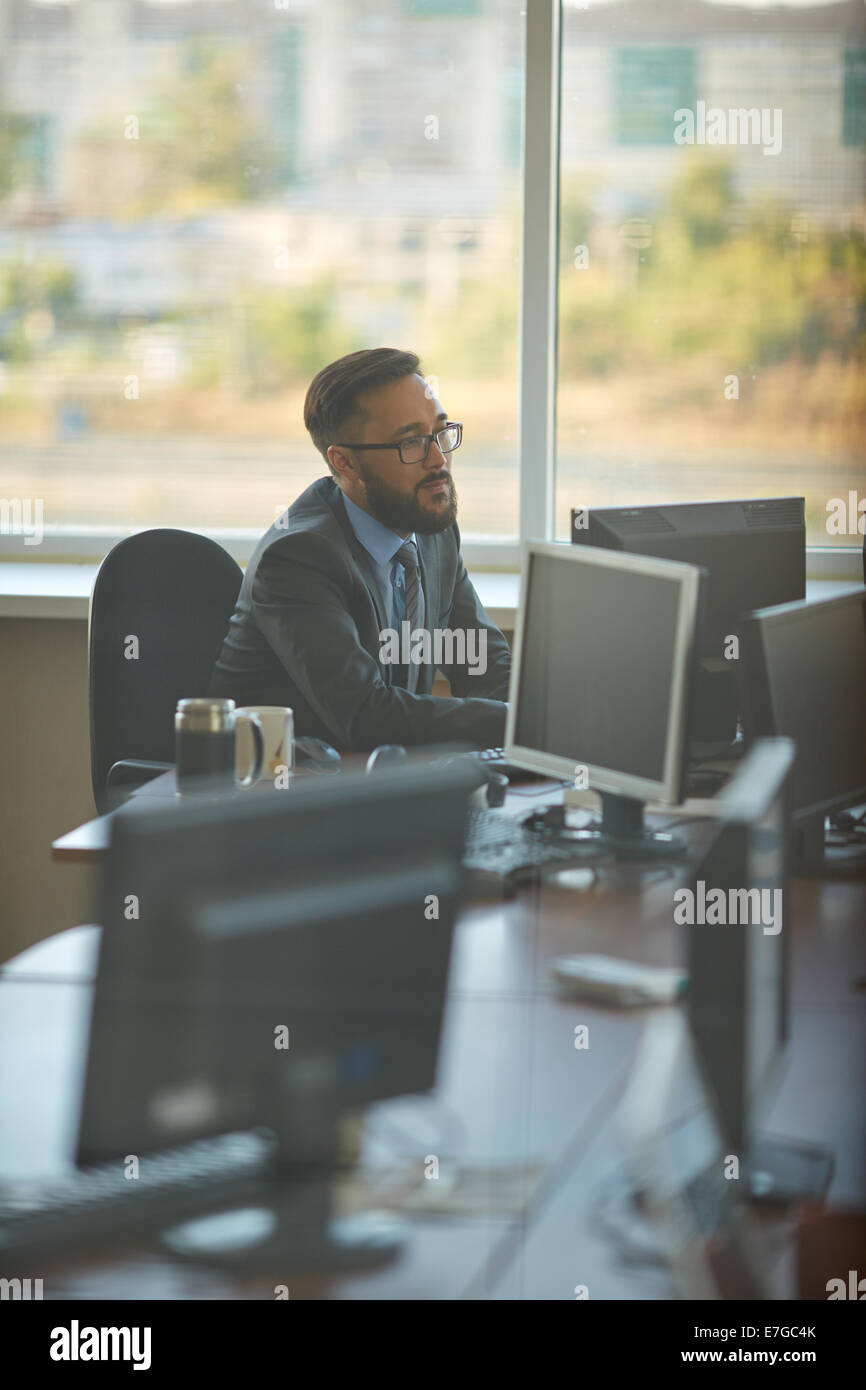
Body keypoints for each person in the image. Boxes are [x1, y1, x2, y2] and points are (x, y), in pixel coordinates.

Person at [209, 347, 511, 751]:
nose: (439, 459)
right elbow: (366, 716)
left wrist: (539, 721)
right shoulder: (298, 558)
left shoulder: (431, 530)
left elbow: (483, 664)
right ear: (345, 463)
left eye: (441, 432)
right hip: (287, 782)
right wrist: (515, 724)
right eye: (411, 442)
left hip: (382, 777)